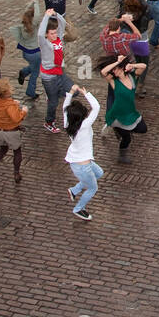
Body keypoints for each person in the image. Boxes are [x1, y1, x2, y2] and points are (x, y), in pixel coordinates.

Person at [99, 54, 148, 164]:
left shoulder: (132, 76)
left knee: (143, 129)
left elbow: (143, 66)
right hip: (118, 115)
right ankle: (122, 156)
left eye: (115, 69)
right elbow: (103, 72)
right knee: (127, 139)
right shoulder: (113, 81)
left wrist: (132, 65)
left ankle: (122, 130)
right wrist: (116, 62)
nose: (113, 71)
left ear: (122, 67)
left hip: (130, 112)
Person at [63, 85, 102, 220]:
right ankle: (79, 209)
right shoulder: (84, 125)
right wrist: (86, 93)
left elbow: (64, 109)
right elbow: (96, 107)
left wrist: (71, 92)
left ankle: (74, 190)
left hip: (79, 162)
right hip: (83, 166)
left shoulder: (68, 124)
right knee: (92, 189)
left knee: (99, 173)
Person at [0, 79, 27, 183]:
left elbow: (3, 108)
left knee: (2, 150)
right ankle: (16, 173)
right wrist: (24, 111)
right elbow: (16, 118)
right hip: (11, 132)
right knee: (17, 151)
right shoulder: (9, 105)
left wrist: (14, 104)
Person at [38, 9, 73, 133]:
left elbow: (62, 23)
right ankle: (49, 122)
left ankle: (53, 93)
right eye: (51, 33)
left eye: (55, 33)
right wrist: (46, 17)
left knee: (73, 90)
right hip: (49, 76)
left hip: (59, 72)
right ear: (47, 34)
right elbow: (40, 34)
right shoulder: (44, 43)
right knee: (54, 102)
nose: (54, 35)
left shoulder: (58, 38)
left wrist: (56, 14)